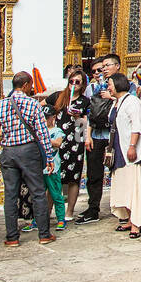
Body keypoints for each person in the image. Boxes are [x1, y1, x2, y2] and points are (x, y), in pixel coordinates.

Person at [0, 71, 57, 248]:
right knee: (38, 192)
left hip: (8, 151)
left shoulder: (1, 104)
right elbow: (42, 133)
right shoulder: (32, 104)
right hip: (28, 150)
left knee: (10, 194)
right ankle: (44, 234)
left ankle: (12, 236)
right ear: (25, 85)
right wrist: (49, 156)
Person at [75, 54, 117, 223]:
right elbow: (89, 112)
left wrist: (111, 97)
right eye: (96, 70)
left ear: (116, 66)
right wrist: (86, 135)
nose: (101, 71)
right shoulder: (92, 88)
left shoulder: (124, 85)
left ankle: (121, 207)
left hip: (113, 135)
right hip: (95, 134)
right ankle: (93, 209)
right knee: (94, 173)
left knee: (117, 171)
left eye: (104, 67)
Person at [107, 72, 141, 236]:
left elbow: (137, 126)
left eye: (110, 84)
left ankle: (137, 223)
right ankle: (129, 218)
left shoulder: (132, 101)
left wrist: (132, 146)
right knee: (123, 185)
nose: (108, 87)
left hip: (128, 149)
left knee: (133, 186)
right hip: (117, 149)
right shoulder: (116, 103)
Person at [53, 67, 88, 222]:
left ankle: (70, 210)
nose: (73, 84)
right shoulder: (59, 97)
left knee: (73, 177)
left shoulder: (85, 101)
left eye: (77, 82)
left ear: (83, 85)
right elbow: (43, 107)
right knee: (54, 176)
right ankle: (53, 209)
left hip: (76, 138)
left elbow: (87, 122)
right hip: (59, 139)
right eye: (71, 81)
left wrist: (79, 115)